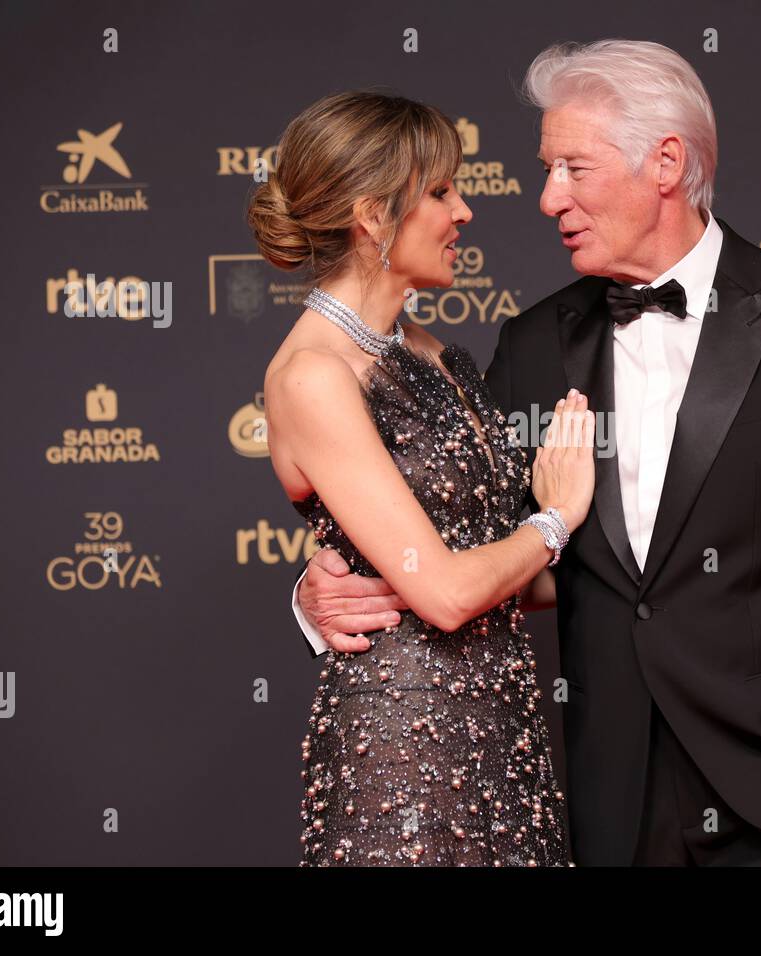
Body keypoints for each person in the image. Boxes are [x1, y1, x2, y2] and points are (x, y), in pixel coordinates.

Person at [296, 40, 761, 867]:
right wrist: (327, 587)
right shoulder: (534, 343)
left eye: (571, 167)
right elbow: (471, 544)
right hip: (613, 800)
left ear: (666, 163)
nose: (545, 197)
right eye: (547, 170)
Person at [252, 90, 595, 866]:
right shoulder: (311, 375)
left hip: (508, 742)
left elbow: (516, 578)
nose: (464, 212)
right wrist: (557, 518)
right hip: (405, 752)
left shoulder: (438, 353)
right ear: (373, 216)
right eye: (441, 192)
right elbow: (443, 594)